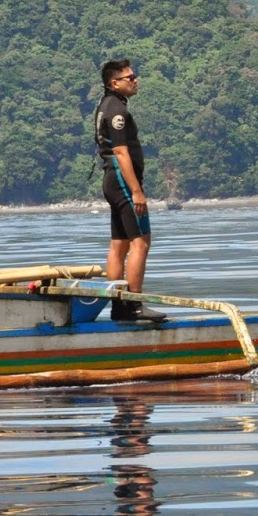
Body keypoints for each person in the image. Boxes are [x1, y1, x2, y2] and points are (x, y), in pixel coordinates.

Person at [95, 59, 165, 322]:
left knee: (119, 244)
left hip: (111, 179)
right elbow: (121, 152)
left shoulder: (106, 105)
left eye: (135, 76)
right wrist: (137, 191)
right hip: (122, 181)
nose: (135, 80)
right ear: (114, 83)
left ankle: (118, 306)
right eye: (130, 77)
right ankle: (134, 306)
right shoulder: (117, 112)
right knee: (141, 242)